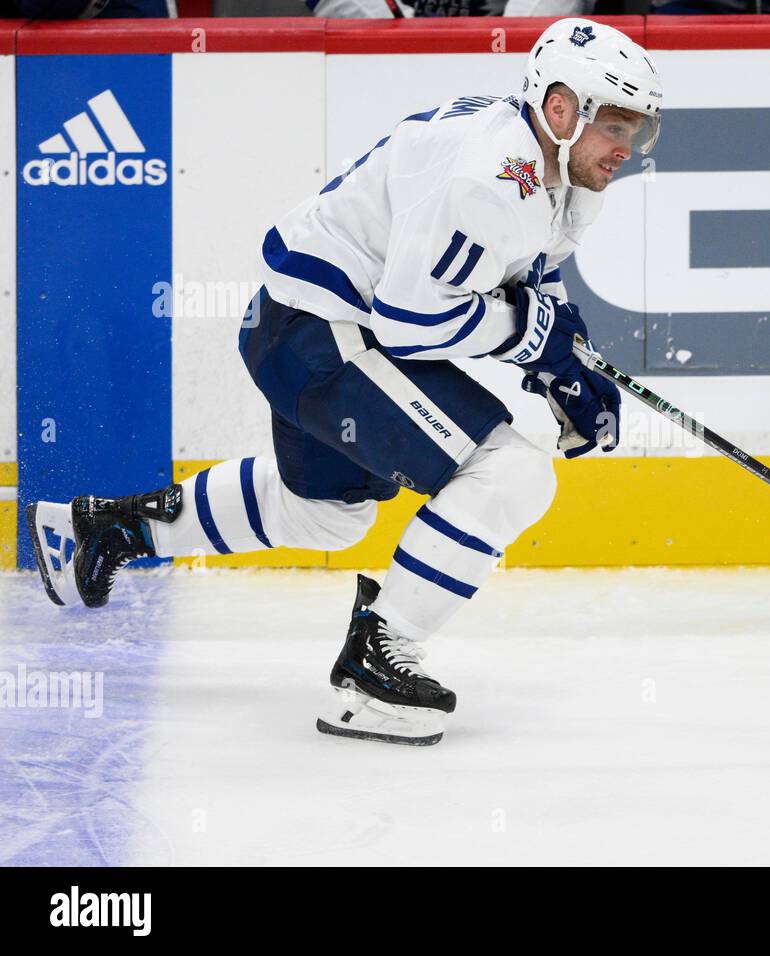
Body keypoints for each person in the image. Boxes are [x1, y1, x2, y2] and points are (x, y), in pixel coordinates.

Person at [26, 17, 664, 748]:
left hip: (300, 328)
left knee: (326, 514)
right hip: (319, 334)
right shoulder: (490, 177)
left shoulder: (556, 170)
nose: (627, 146)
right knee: (516, 473)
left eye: (638, 129)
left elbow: (516, 276)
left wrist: (560, 364)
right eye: (615, 124)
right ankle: (374, 666)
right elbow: (412, 324)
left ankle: (101, 529)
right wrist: (532, 339)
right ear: (561, 108)